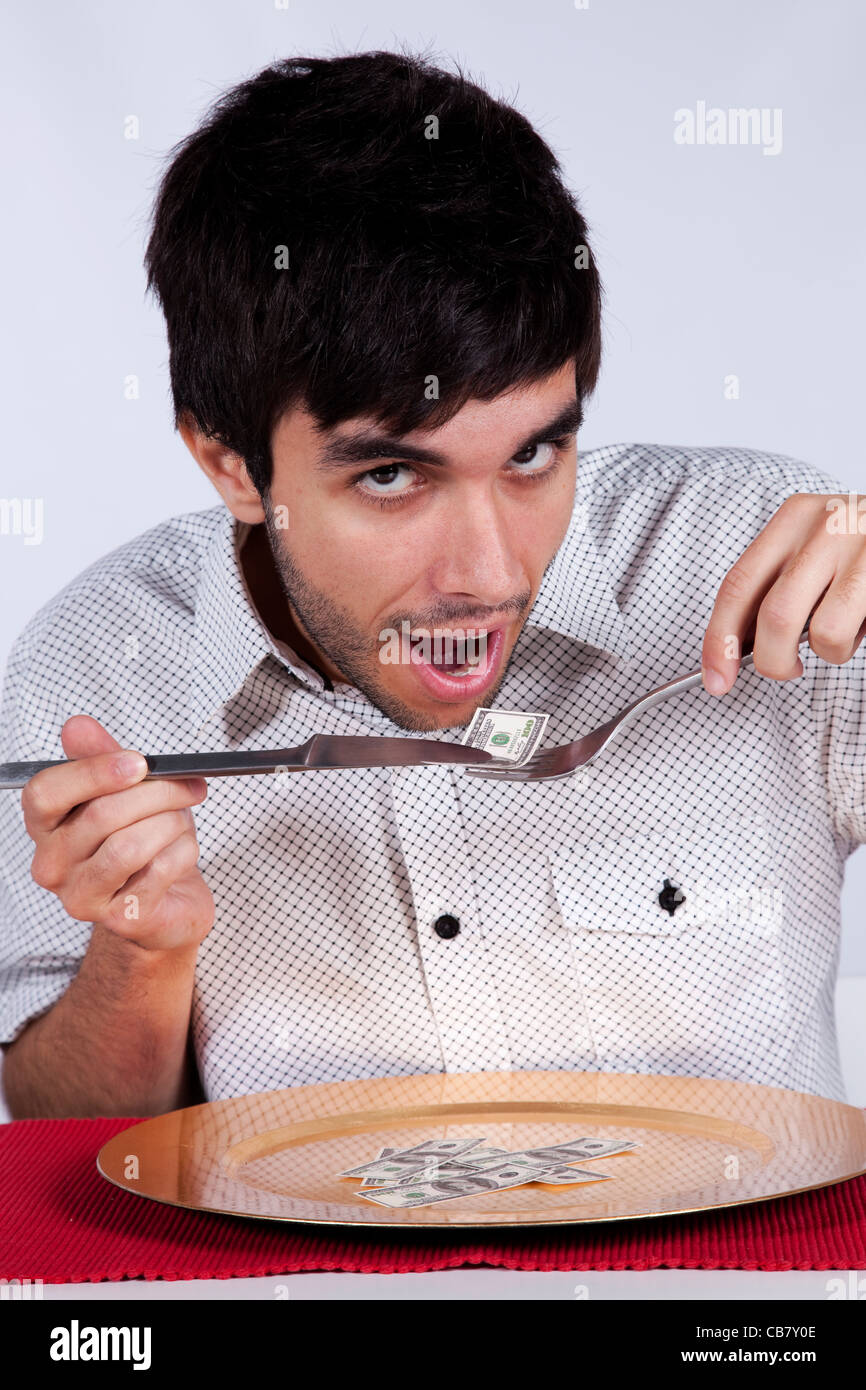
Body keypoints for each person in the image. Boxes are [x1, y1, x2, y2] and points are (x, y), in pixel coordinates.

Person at [2, 51, 864, 1118]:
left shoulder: (761, 564)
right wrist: (139, 953)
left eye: (532, 457)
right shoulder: (98, 666)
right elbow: (64, 1131)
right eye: (391, 475)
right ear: (230, 463)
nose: (491, 576)